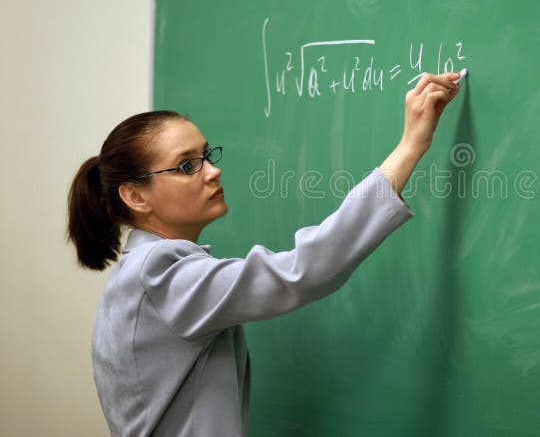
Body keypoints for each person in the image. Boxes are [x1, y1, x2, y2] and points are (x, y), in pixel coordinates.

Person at [68, 72, 462, 436]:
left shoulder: (140, 276)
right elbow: (304, 270)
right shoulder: (159, 275)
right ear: (135, 196)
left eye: (207, 155)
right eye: (187, 165)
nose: (212, 171)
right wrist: (410, 146)